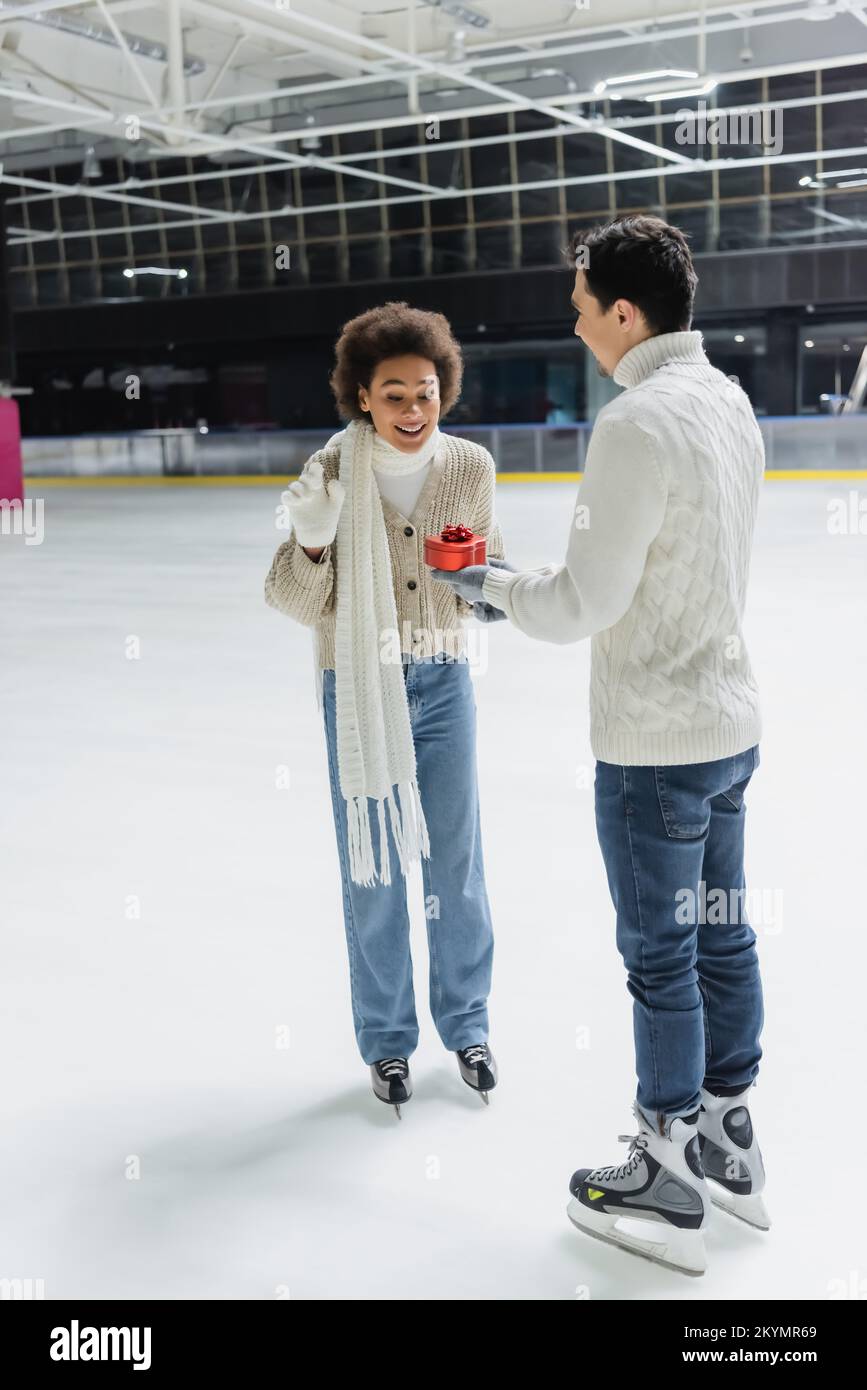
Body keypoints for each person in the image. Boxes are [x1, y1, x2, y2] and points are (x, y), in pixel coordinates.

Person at [433, 216, 767, 1276]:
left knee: (661, 956)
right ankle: (730, 1136)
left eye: (583, 310)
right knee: (723, 935)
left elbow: (583, 602)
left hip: (656, 748)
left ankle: (665, 1169)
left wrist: (489, 588)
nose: (577, 327)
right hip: (727, 731)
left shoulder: (635, 424)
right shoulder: (729, 402)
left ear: (626, 313)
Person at [264, 301, 513, 1117]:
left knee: (456, 865)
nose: (413, 410)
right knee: (370, 869)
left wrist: (478, 581)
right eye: (395, 394)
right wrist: (309, 540)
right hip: (358, 689)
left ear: (445, 391)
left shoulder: (469, 467)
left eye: (426, 392)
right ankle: (387, 1041)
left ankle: (467, 1024)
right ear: (362, 397)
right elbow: (293, 598)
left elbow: (491, 582)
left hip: (441, 681)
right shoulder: (332, 471)